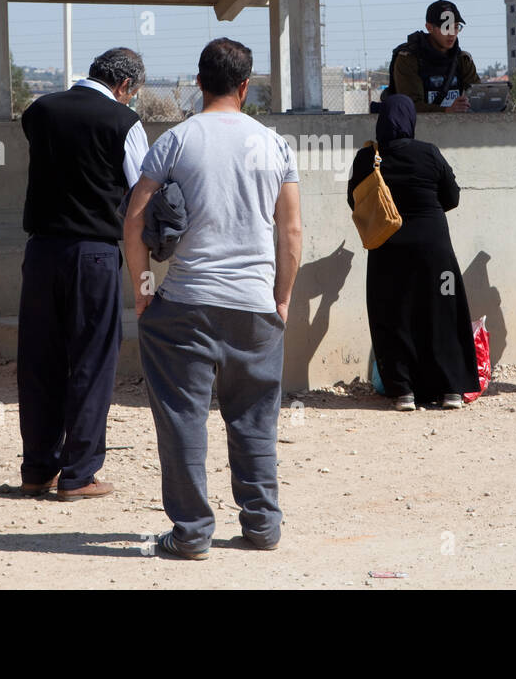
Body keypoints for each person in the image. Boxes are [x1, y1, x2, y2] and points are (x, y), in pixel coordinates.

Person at [124, 38, 302, 560]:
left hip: (185, 303)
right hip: (254, 307)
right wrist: (282, 298)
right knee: (254, 417)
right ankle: (262, 525)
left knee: (182, 417)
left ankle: (192, 533)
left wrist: (143, 292)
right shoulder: (275, 145)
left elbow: (134, 221)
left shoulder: (175, 141)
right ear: (246, 86)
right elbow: (290, 232)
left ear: (199, 82)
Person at [17, 47, 149, 501]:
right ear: (126, 86)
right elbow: (142, 193)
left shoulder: (40, 111)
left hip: (40, 254)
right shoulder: (124, 123)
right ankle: (80, 474)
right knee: (91, 362)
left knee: (39, 362)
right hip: (94, 255)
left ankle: (37, 470)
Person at [347, 94, 479, 411]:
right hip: (434, 249)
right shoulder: (428, 153)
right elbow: (452, 196)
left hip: (386, 247)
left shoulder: (367, 158)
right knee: (442, 313)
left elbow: (355, 202)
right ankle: (450, 390)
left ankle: (404, 391)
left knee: (393, 315)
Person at [386, 0, 481, 113]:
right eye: (446, 27)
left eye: (456, 27)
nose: (452, 33)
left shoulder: (462, 60)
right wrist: (446, 111)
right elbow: (410, 106)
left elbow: (478, 96)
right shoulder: (409, 59)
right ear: (429, 27)